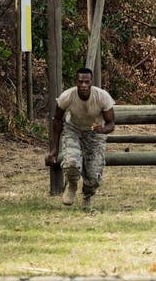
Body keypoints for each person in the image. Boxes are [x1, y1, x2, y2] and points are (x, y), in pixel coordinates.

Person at [46, 67, 115, 209]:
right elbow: (57, 120)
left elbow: (111, 124)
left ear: (91, 82)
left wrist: (103, 129)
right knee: (71, 161)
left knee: (94, 174)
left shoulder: (102, 97)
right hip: (73, 130)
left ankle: (87, 197)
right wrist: (54, 149)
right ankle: (71, 185)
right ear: (76, 82)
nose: (83, 85)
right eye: (80, 82)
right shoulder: (67, 96)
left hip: (95, 132)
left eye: (86, 82)